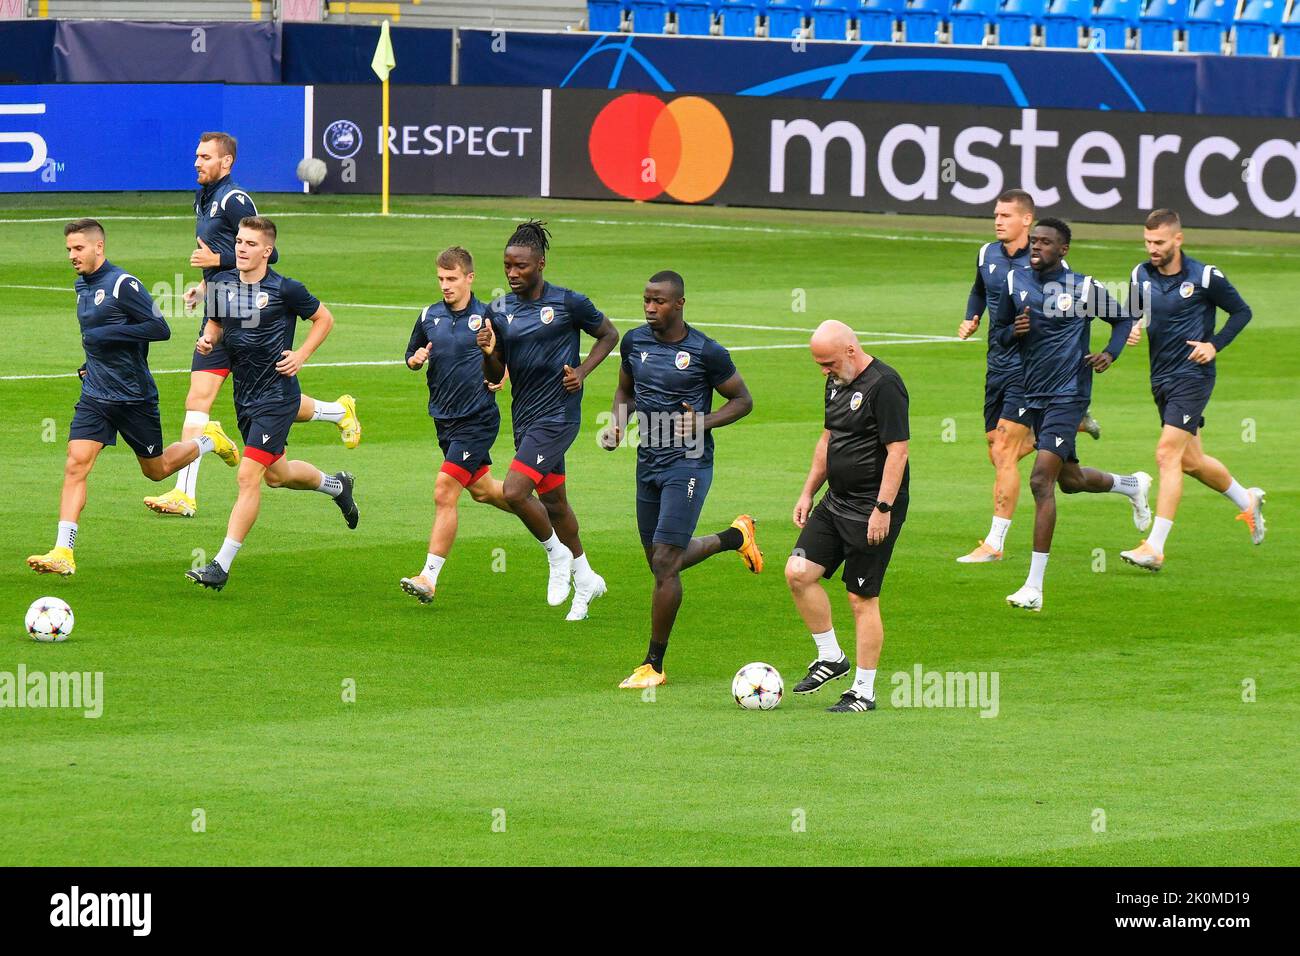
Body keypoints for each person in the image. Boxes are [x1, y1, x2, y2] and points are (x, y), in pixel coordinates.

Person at [144, 131, 359, 518]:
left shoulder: (234, 198)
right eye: (197, 155)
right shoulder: (204, 197)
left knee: (268, 412)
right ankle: (184, 492)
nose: (197, 162)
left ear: (226, 163)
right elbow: (226, 260)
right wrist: (203, 286)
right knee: (200, 398)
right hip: (222, 309)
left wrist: (216, 265)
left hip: (250, 313)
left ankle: (335, 414)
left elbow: (267, 254)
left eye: (206, 157)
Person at [27, 219, 238, 576]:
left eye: (78, 248)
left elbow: (159, 328)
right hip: (96, 395)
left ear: (98, 247)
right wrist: (90, 362)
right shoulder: (82, 286)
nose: (72, 256)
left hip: (133, 397)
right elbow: (102, 341)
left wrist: (109, 335)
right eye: (68, 250)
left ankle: (208, 440)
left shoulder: (123, 284)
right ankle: (64, 550)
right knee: (76, 463)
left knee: (156, 471)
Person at [601, 271, 761, 689]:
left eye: (659, 302)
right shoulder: (635, 343)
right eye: (646, 301)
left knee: (666, 564)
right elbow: (625, 392)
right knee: (658, 562)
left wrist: (702, 423)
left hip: (688, 463)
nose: (650, 309)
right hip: (647, 461)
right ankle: (735, 537)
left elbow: (743, 400)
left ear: (679, 304)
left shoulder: (706, 351)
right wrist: (617, 425)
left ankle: (653, 664)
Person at [185, 217, 358, 591]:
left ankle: (220, 565)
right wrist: (208, 341)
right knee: (277, 476)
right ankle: (337, 486)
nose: (242, 248)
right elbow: (215, 323)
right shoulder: (222, 283)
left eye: (250, 244)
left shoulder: (286, 289)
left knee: (248, 476)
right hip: (245, 396)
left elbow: (324, 318)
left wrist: (302, 355)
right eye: (239, 242)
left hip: (277, 396)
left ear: (267, 251)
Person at [991, 218, 1150, 612]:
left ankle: (1034, 587)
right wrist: (1016, 330)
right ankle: (1131, 485)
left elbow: (1123, 319)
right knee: (1071, 481)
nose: (1036, 247)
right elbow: (1000, 334)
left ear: (1063, 249)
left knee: (1040, 480)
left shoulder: (1083, 287)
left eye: (1045, 242)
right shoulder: (1016, 282)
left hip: (1069, 395)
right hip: (1033, 394)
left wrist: (1110, 353)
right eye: (1034, 241)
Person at [476, 220, 620, 620]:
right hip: (524, 415)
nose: (512, 273)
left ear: (540, 263)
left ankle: (557, 557)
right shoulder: (498, 310)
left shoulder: (568, 303)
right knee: (554, 501)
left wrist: (583, 371)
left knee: (516, 491)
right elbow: (493, 376)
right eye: (507, 266)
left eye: (520, 266)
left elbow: (609, 335)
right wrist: (489, 351)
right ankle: (587, 577)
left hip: (559, 414)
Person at [955, 189, 1101, 564]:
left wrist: (1123, 329)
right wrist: (973, 317)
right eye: (996, 215)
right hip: (997, 365)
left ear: (1026, 220)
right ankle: (1070, 432)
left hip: (1031, 372)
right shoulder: (987, 254)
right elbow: (978, 291)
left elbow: (1081, 307)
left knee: (1004, 450)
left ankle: (995, 543)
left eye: (1005, 215)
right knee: (1061, 476)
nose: (998, 221)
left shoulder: (1045, 264)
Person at [1119, 209, 1264, 571]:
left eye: (1159, 242)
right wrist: (1133, 327)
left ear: (1178, 240)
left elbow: (1241, 312)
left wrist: (1214, 345)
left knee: (1167, 455)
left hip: (1193, 376)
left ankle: (1154, 547)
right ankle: (1247, 500)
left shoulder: (1205, 276)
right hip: (1161, 377)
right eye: (1148, 242)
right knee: (1191, 461)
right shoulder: (1140, 273)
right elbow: (1132, 312)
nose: (1152, 249)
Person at [785, 320, 910, 713]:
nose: (824, 370)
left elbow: (898, 451)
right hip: (836, 501)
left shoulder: (885, 384)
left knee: (861, 597)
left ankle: (864, 690)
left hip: (872, 508)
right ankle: (831, 657)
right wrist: (808, 491)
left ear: (851, 351)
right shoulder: (835, 380)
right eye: (819, 364)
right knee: (798, 573)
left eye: (828, 362)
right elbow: (828, 439)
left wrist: (883, 509)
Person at [399, 246, 513, 603]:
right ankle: (548, 517)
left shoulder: (490, 316)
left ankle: (428, 577)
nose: (445, 286)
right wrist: (415, 360)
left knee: (444, 490)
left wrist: (503, 374)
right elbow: (412, 354)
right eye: (440, 279)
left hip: (477, 419)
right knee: (486, 492)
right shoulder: (428, 315)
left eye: (452, 279)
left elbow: (508, 356)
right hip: (443, 420)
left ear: (469, 278)